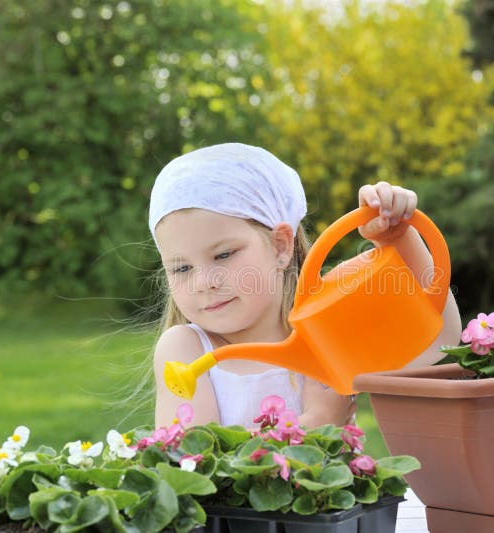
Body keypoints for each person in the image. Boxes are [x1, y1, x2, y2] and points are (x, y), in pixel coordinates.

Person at [148, 143, 461, 429]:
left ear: (280, 246)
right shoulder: (187, 350)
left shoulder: (326, 329)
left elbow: (437, 337)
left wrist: (398, 237)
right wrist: (316, 423)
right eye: (182, 268)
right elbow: (195, 468)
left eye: (224, 254)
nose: (204, 282)